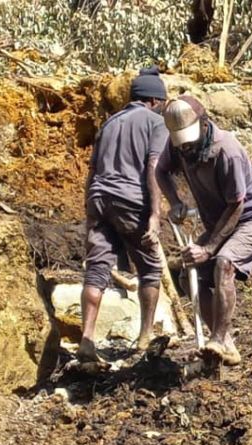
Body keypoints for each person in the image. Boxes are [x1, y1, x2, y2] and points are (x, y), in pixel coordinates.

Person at [158, 95, 252, 366]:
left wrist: (209, 248)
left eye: (189, 142)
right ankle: (224, 345)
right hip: (220, 222)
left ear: (204, 123)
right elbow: (160, 170)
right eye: (181, 144)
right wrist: (175, 201)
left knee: (223, 263)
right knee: (190, 277)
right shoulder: (179, 144)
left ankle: (219, 338)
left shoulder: (227, 150)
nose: (186, 149)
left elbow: (237, 205)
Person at [78, 67, 169, 363]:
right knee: (150, 267)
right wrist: (155, 213)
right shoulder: (156, 123)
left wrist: (89, 209)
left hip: (99, 198)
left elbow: (91, 172)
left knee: (96, 269)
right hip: (131, 200)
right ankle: (144, 338)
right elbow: (154, 165)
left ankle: (87, 339)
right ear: (154, 101)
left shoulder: (109, 123)